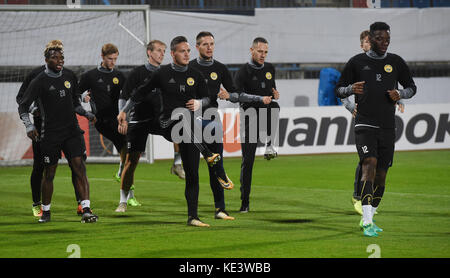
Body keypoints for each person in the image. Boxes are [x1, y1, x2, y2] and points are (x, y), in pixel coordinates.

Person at [117, 36, 233, 227]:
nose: (187, 54)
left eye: (188, 51)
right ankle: (209, 155)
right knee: (182, 116)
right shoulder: (162, 73)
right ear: (173, 54)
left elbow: (208, 98)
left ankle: (193, 217)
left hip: (189, 132)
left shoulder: (195, 75)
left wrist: (199, 102)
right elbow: (139, 93)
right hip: (167, 123)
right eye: (182, 51)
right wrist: (124, 111)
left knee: (193, 174)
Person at [335, 22, 416, 237]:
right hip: (364, 122)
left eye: (387, 39)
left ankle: (372, 212)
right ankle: (366, 219)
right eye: (380, 39)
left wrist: (401, 94)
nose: (385, 42)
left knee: (382, 174)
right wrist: (351, 89)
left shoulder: (396, 62)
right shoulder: (357, 62)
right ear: (371, 39)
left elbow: (411, 87)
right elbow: (339, 89)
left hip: (388, 126)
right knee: (368, 165)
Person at [18, 43, 98, 223]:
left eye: (61, 57)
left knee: (79, 168)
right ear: (46, 60)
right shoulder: (38, 81)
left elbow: (75, 102)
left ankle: (85, 208)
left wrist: (86, 113)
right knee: (50, 173)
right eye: (55, 58)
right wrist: (29, 126)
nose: (59, 61)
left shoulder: (70, 75)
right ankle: (45, 212)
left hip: (72, 131)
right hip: (50, 134)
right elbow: (23, 105)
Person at [343, 30, 405, 216]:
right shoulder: (357, 65)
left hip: (383, 122)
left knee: (372, 163)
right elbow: (342, 92)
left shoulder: (384, 65)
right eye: (368, 43)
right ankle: (358, 197)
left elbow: (390, 89)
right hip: (365, 119)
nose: (371, 46)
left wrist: (399, 98)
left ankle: (366, 201)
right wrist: (350, 107)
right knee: (366, 161)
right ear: (363, 45)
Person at [219, 37, 280, 213]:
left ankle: (270, 145)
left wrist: (275, 93)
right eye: (260, 51)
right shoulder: (242, 72)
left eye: (266, 52)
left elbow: (271, 91)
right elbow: (237, 96)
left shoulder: (270, 69)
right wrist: (257, 98)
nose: (263, 55)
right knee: (248, 161)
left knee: (275, 106)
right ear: (251, 50)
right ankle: (244, 203)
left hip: (266, 112)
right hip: (249, 117)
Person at [115, 40, 170, 211]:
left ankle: (177, 163)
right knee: (131, 162)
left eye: (164, 51)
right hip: (139, 119)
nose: (162, 54)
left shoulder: (166, 73)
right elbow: (123, 97)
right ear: (149, 52)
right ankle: (123, 201)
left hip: (159, 119)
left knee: (181, 131)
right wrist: (122, 116)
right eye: (159, 50)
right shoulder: (137, 73)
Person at [189, 31, 236, 220]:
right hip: (191, 120)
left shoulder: (221, 69)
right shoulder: (189, 67)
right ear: (197, 47)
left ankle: (220, 209)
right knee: (193, 169)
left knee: (216, 164)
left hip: (212, 118)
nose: (209, 47)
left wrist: (229, 95)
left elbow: (234, 93)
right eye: (205, 44)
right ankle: (192, 213)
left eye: (212, 44)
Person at [79, 43, 127, 184]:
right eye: (110, 59)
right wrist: (83, 97)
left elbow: (126, 96)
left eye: (115, 59)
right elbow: (75, 93)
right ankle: (122, 176)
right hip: (100, 120)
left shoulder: (119, 76)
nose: (113, 62)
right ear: (102, 57)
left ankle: (122, 174)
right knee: (126, 143)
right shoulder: (90, 76)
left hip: (116, 118)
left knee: (126, 146)